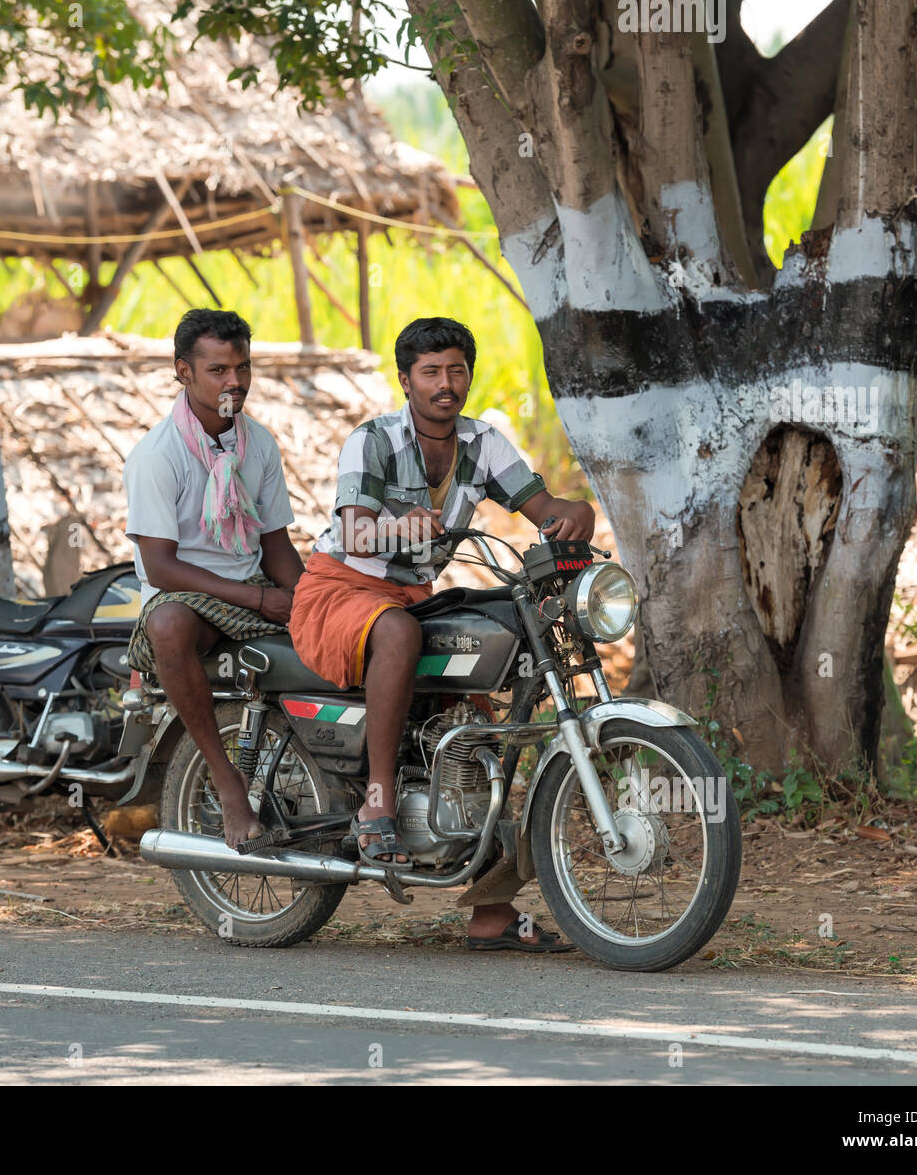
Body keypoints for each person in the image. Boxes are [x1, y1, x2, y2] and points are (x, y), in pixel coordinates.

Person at [289, 316, 596, 952]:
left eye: (456, 370)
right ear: (406, 381)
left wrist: (578, 513)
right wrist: (407, 530)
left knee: (477, 717)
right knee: (398, 634)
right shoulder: (371, 440)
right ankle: (376, 799)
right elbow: (352, 534)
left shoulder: (485, 443)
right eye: (430, 372)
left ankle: (489, 911)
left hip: (411, 598)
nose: (444, 384)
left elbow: (543, 510)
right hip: (340, 588)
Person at [124, 309, 303, 848]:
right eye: (218, 370)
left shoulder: (259, 444)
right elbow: (160, 568)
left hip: (250, 585)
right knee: (170, 624)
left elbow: (276, 545)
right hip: (187, 595)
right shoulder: (157, 455)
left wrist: (307, 598)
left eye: (243, 367)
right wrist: (258, 598)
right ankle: (226, 783)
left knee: (337, 625)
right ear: (183, 371)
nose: (235, 382)